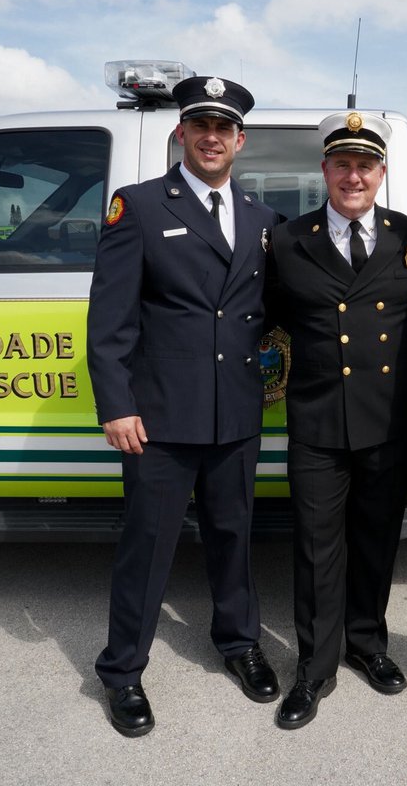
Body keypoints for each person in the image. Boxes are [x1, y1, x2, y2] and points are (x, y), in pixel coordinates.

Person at [86, 75, 280, 737]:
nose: (212, 137)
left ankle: (238, 643)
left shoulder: (261, 220)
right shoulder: (138, 207)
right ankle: (122, 671)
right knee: (148, 548)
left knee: (234, 538)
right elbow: (110, 319)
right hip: (160, 416)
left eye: (224, 128)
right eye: (201, 124)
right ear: (182, 132)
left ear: (240, 140)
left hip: (235, 414)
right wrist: (116, 404)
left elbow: (274, 314)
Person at [266, 111, 407, 729]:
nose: (353, 176)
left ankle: (368, 644)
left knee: (376, 541)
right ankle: (314, 668)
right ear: (325, 170)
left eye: (365, 165)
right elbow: (267, 317)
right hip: (316, 422)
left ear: (381, 173)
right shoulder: (287, 240)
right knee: (314, 549)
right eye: (343, 164)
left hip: (387, 421)